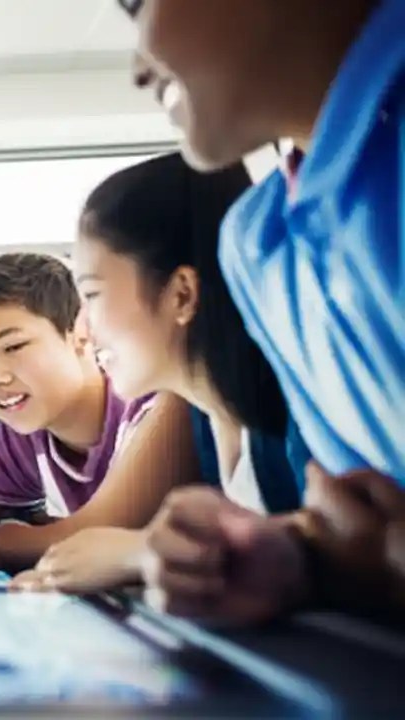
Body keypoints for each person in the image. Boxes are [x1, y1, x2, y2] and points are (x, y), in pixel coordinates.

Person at [119, 0, 405, 622]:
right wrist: (290, 556)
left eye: (137, 7)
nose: (138, 69)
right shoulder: (257, 240)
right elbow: (366, 521)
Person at [9, 153, 309, 593]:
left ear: (182, 294)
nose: (83, 331)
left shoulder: (298, 412)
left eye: (91, 294)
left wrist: (141, 552)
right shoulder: (203, 416)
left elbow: (358, 553)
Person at [0, 253, 191, 576]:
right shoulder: (24, 436)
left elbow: (108, 526)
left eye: (13, 347)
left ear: (80, 334)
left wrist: (1, 544)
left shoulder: (150, 404)